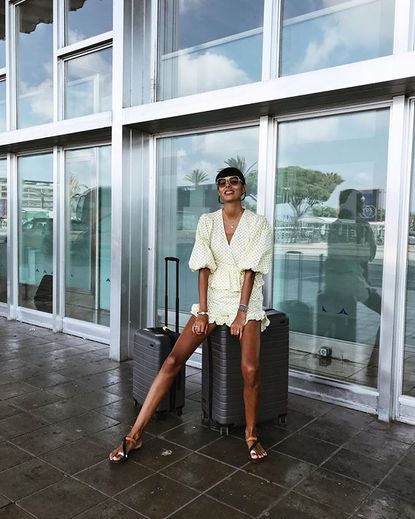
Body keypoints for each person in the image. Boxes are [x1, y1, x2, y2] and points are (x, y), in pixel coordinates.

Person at [109, 166, 273, 463]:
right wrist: (203, 312)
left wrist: (241, 314)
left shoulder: (258, 223)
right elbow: (203, 268)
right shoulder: (207, 222)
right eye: (222, 183)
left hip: (246, 301)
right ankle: (135, 434)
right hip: (214, 298)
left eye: (234, 181)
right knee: (173, 359)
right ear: (218, 191)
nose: (227, 186)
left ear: (243, 188)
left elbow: (250, 270)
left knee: (250, 369)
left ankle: (251, 434)